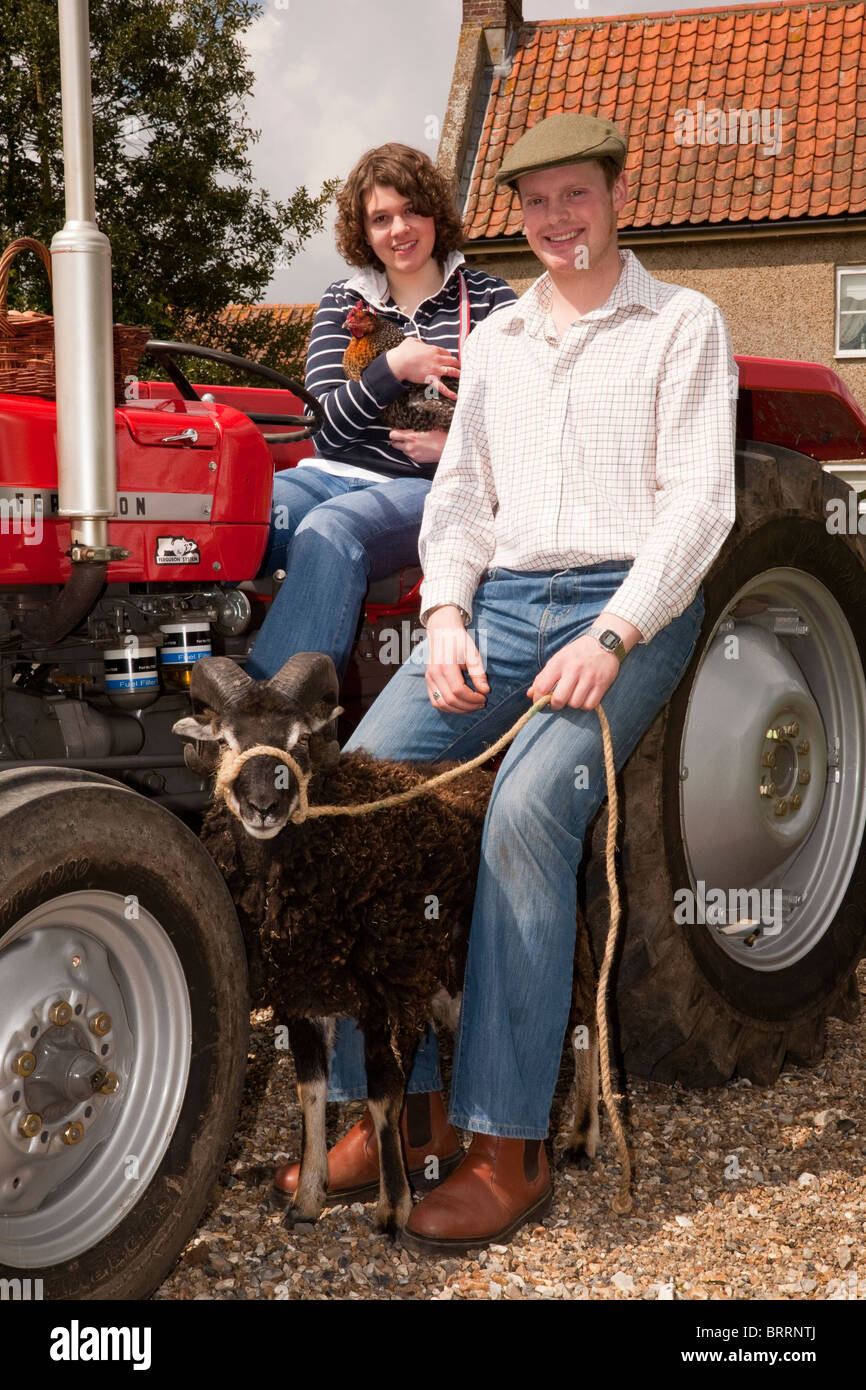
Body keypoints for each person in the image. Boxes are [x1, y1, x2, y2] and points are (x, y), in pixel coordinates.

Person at [274, 113, 739, 1253]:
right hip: (497, 611)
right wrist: (440, 613)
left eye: (574, 196)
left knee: (524, 816)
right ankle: (405, 1109)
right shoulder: (502, 341)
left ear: (615, 195)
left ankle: (503, 1141)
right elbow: (461, 501)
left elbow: (699, 506)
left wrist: (618, 630)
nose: (555, 221)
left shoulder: (682, 325)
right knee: (356, 790)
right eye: (535, 204)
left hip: (628, 608)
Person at [245, 143, 515, 683]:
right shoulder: (343, 302)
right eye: (381, 218)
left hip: (426, 486)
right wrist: (394, 365)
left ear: (435, 212)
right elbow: (327, 431)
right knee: (240, 517)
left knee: (329, 530)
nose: (400, 229)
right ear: (363, 232)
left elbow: (520, 419)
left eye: (411, 210)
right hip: (328, 475)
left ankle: (274, 720)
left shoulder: (490, 301)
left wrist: (451, 451)